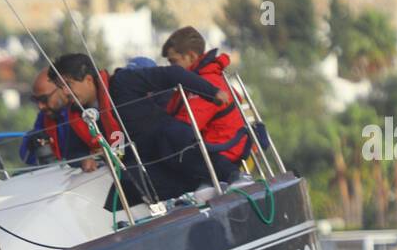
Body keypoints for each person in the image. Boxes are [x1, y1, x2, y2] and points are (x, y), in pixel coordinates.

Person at [47, 52, 236, 201]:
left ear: (88, 79)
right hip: (141, 162)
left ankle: (233, 177)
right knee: (131, 178)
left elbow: (171, 74)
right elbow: (72, 152)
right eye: (60, 87)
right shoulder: (79, 116)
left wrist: (211, 92)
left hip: (167, 142)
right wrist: (83, 160)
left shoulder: (122, 83)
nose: (65, 92)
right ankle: (185, 197)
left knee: (172, 137)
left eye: (68, 84)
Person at [160, 26, 251, 170]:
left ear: (191, 56)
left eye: (173, 62)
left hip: (220, 156)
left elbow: (183, 128)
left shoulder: (206, 83)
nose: (171, 68)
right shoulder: (198, 80)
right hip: (211, 153)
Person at [19, 69, 98, 171]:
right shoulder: (44, 117)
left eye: (44, 99)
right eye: (36, 101)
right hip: (63, 177)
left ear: (61, 89)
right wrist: (31, 141)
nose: (40, 106)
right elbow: (26, 157)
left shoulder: (84, 111)